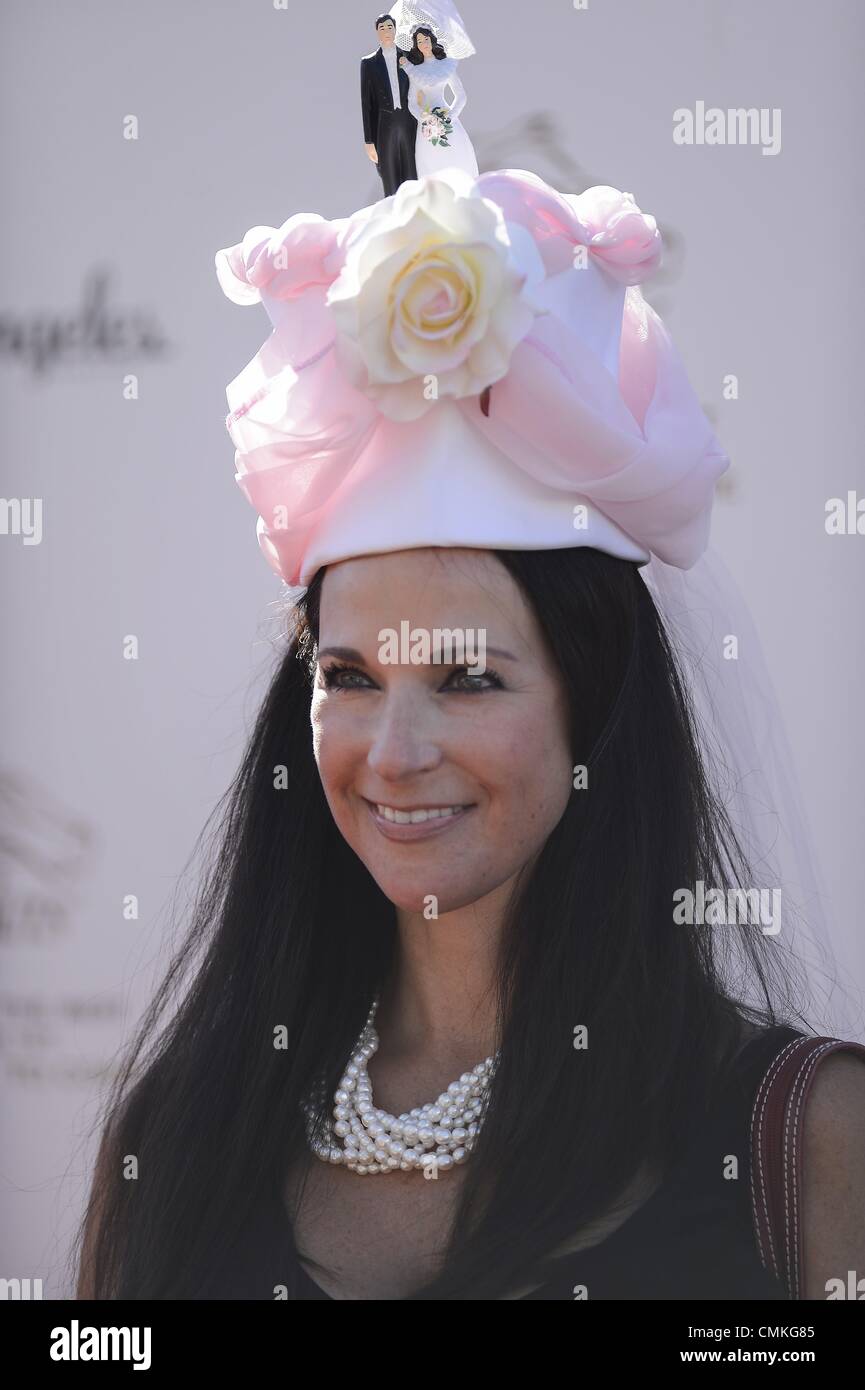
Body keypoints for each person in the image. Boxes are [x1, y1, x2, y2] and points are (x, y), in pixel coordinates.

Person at [74, 169, 865, 1301]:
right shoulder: (182, 1133)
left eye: (467, 679)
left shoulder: (803, 1140)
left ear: (595, 705)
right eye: (349, 675)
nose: (392, 752)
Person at [399, 26, 478, 177]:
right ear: (416, 45)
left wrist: (450, 117)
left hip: (447, 117)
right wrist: (424, 118)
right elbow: (412, 102)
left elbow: (461, 95)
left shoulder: (446, 65)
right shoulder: (415, 71)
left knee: (454, 153)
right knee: (431, 158)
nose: (424, 44)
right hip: (428, 124)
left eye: (426, 39)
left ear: (432, 40)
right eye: (419, 41)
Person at [360, 13, 418, 197]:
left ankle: (414, 203)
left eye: (389, 27)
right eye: (382, 28)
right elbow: (366, 104)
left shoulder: (409, 57)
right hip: (385, 122)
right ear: (377, 32)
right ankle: (393, 208)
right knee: (388, 168)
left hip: (409, 119)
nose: (386, 31)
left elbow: (419, 86)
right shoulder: (369, 63)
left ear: (395, 29)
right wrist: (369, 140)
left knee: (411, 165)